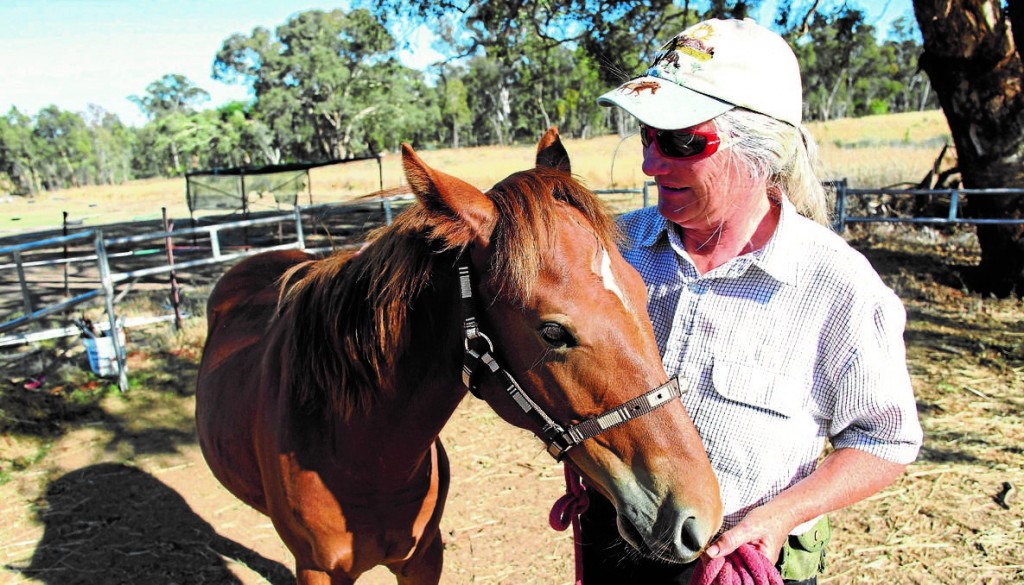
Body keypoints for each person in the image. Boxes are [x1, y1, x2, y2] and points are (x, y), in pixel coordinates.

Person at [581, 18, 924, 584]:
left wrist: (779, 517)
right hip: (616, 540)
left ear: (761, 149)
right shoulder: (609, 251)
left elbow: (884, 439)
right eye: (647, 135)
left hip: (740, 563)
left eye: (682, 141)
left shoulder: (836, 284)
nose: (650, 164)